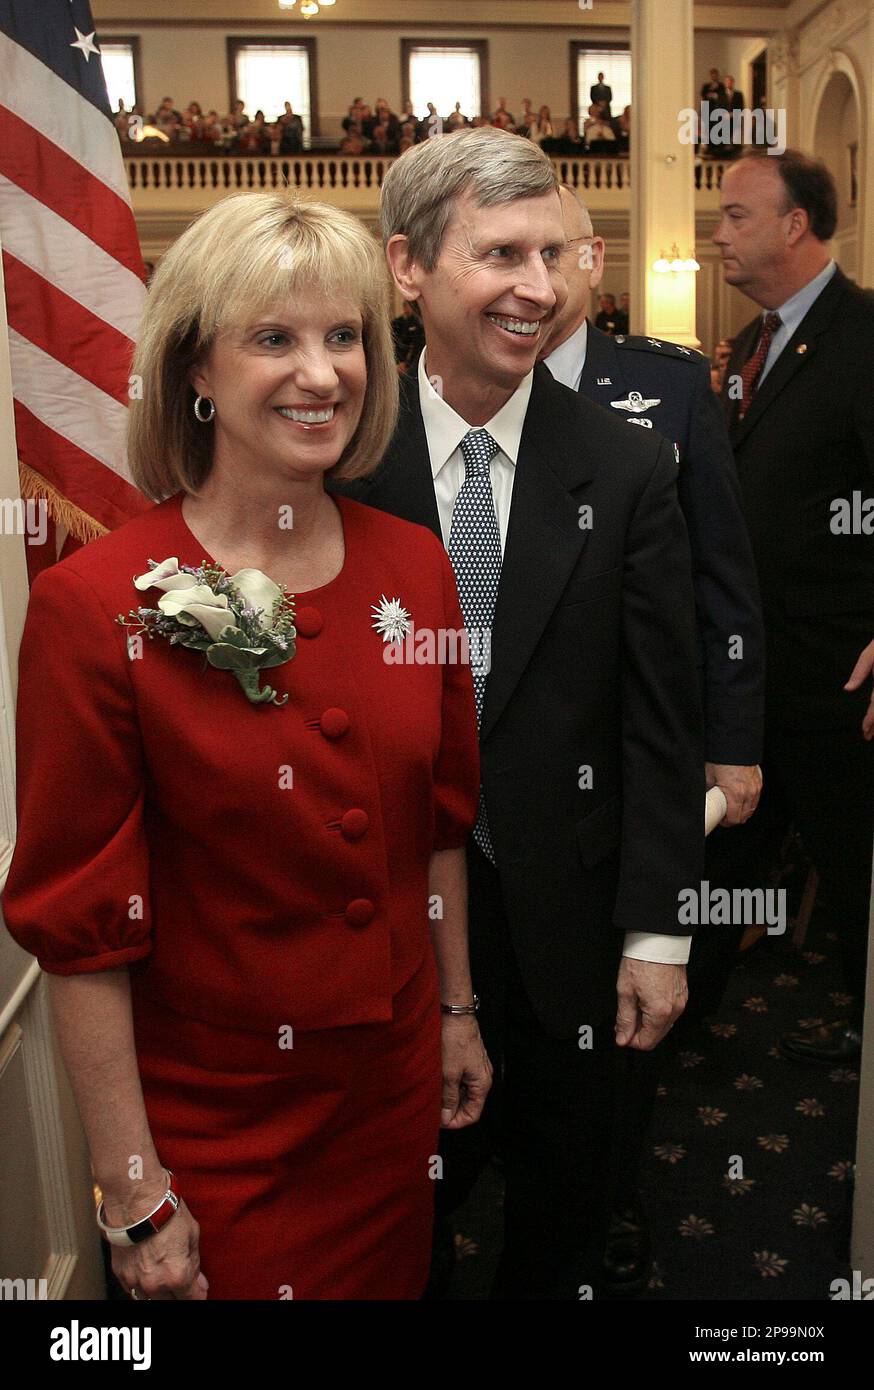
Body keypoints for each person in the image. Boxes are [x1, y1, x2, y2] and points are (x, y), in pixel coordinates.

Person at [2, 195, 489, 1301]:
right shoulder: (95, 607)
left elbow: (439, 826)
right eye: (273, 337)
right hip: (219, 1130)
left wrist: (458, 1011)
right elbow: (83, 932)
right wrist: (134, 1190)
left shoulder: (416, 565)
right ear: (197, 373)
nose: (321, 373)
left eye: (344, 335)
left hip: (391, 1092)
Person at [331, 127, 705, 1299]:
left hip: (577, 943)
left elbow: (660, 722)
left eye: (557, 254)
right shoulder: (333, 462)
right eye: (500, 254)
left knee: (561, 1235)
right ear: (407, 268)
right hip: (376, 942)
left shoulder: (630, 466)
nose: (539, 289)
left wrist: (657, 932)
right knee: (392, 1237)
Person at [541, 185, 765, 1293]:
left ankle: (610, 1192)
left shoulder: (667, 390)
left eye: (560, 250)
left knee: (625, 997)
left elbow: (725, 581)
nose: (535, 278)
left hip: (641, 744)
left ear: (595, 263)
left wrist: (734, 742)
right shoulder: (421, 392)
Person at [714, 149, 874, 1067]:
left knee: (857, 889)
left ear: (794, 225)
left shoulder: (866, 334)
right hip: (756, 687)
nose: (718, 233)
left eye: (737, 215)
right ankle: (660, 1032)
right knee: (721, 875)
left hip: (838, 692)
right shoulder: (752, 345)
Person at [391, 300, 426, 373]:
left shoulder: (420, 321)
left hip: (417, 361)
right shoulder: (404, 321)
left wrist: (407, 364)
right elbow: (404, 342)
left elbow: (418, 346)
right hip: (406, 361)